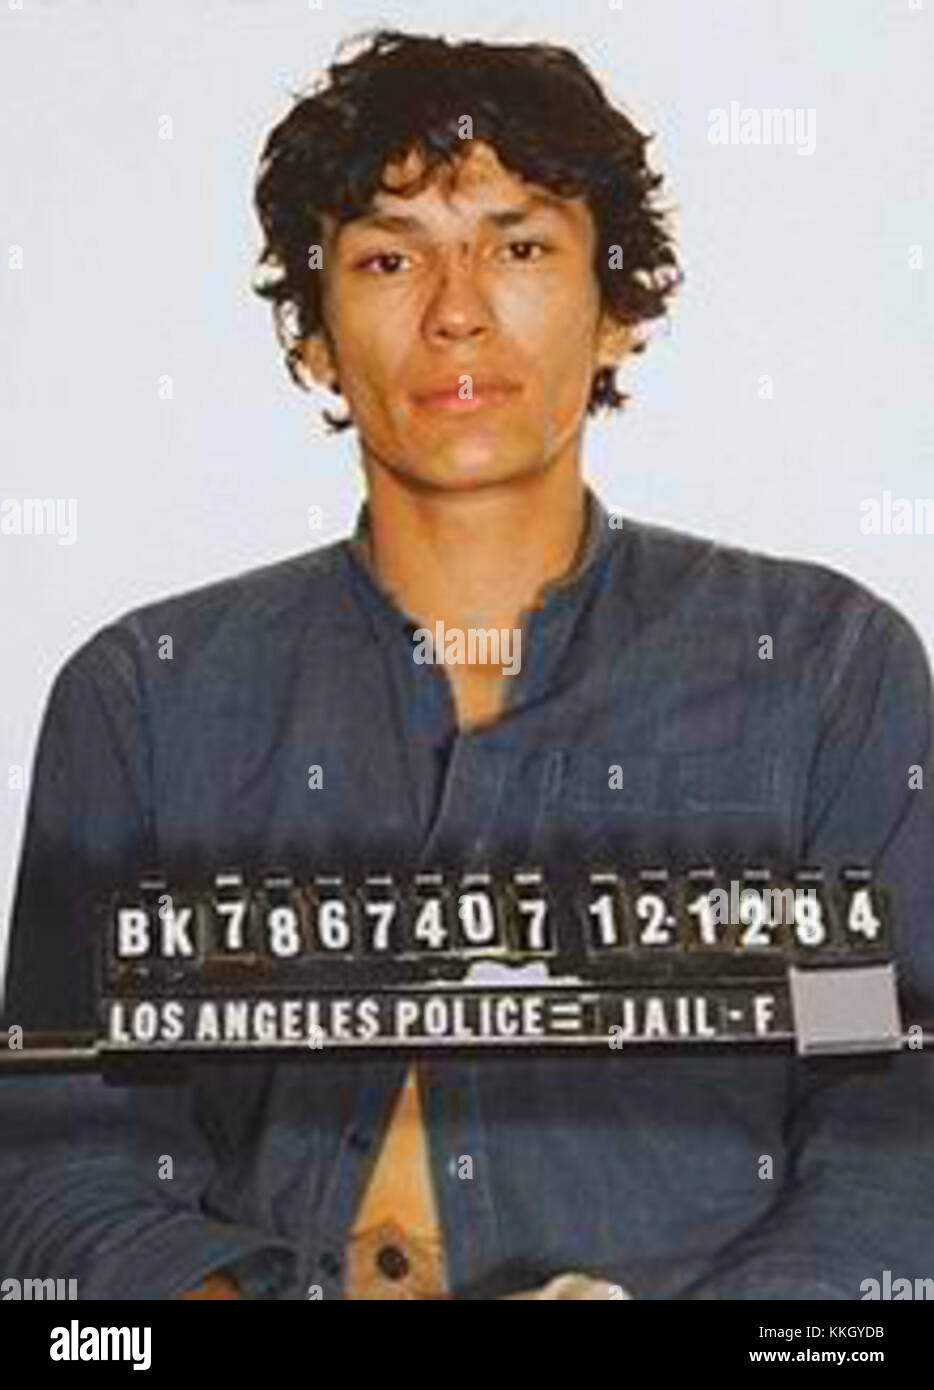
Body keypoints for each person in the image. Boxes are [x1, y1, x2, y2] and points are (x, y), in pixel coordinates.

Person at [2, 28, 933, 1302]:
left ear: (618, 311)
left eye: (519, 247)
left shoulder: (822, 674)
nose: (455, 309)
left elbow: (891, 1126)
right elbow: (61, 1156)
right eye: (389, 257)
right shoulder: (147, 697)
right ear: (314, 337)